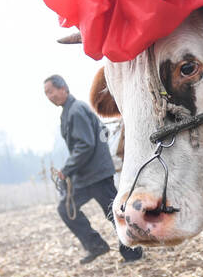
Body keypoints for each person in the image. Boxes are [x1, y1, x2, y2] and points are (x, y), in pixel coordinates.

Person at [43, 74, 143, 264]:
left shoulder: (76, 110)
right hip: (86, 175)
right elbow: (97, 136)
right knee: (66, 208)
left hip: (96, 174)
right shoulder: (69, 110)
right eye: (46, 94)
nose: (49, 96)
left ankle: (133, 252)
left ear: (63, 88)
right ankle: (96, 245)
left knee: (115, 214)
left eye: (50, 91)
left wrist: (66, 169)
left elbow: (85, 145)